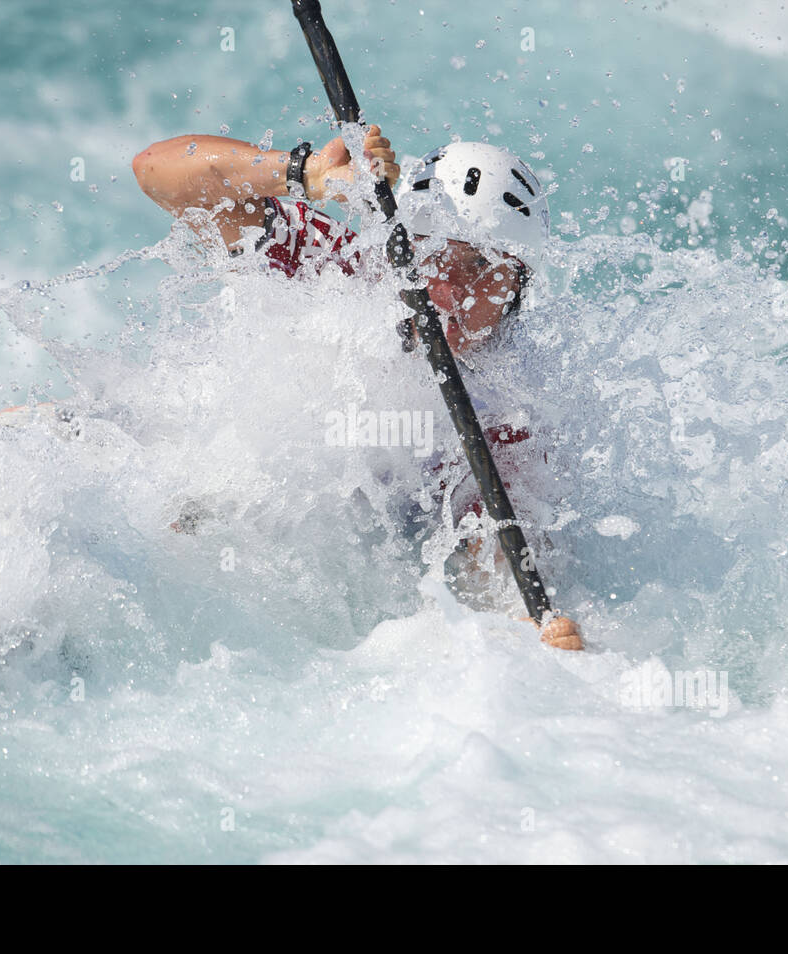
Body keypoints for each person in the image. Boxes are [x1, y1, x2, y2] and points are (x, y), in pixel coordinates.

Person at [132, 126, 582, 651]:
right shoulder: (329, 268)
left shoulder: (511, 410)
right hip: (154, 453)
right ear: (402, 246)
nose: (454, 287)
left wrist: (523, 624)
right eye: (435, 250)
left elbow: (503, 556)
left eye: (483, 267)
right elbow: (158, 173)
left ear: (517, 290)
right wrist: (304, 175)